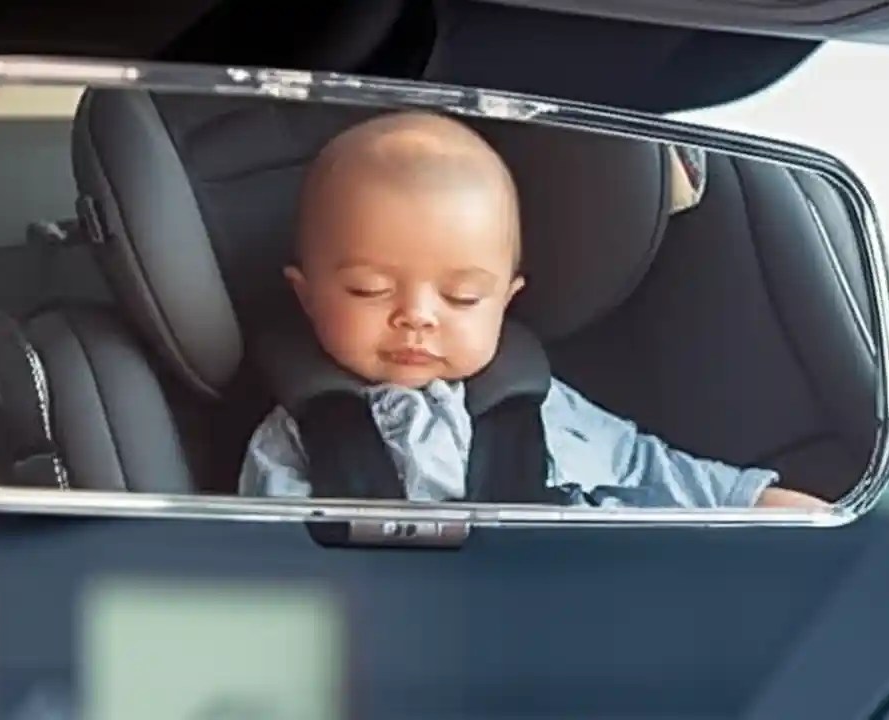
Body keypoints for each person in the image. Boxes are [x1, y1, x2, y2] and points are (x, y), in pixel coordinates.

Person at [238, 110, 826, 510]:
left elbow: (645, 469)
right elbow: (272, 571)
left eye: (463, 298)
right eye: (369, 289)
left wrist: (749, 502)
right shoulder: (298, 437)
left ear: (504, 302)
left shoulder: (535, 402)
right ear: (305, 294)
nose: (417, 316)